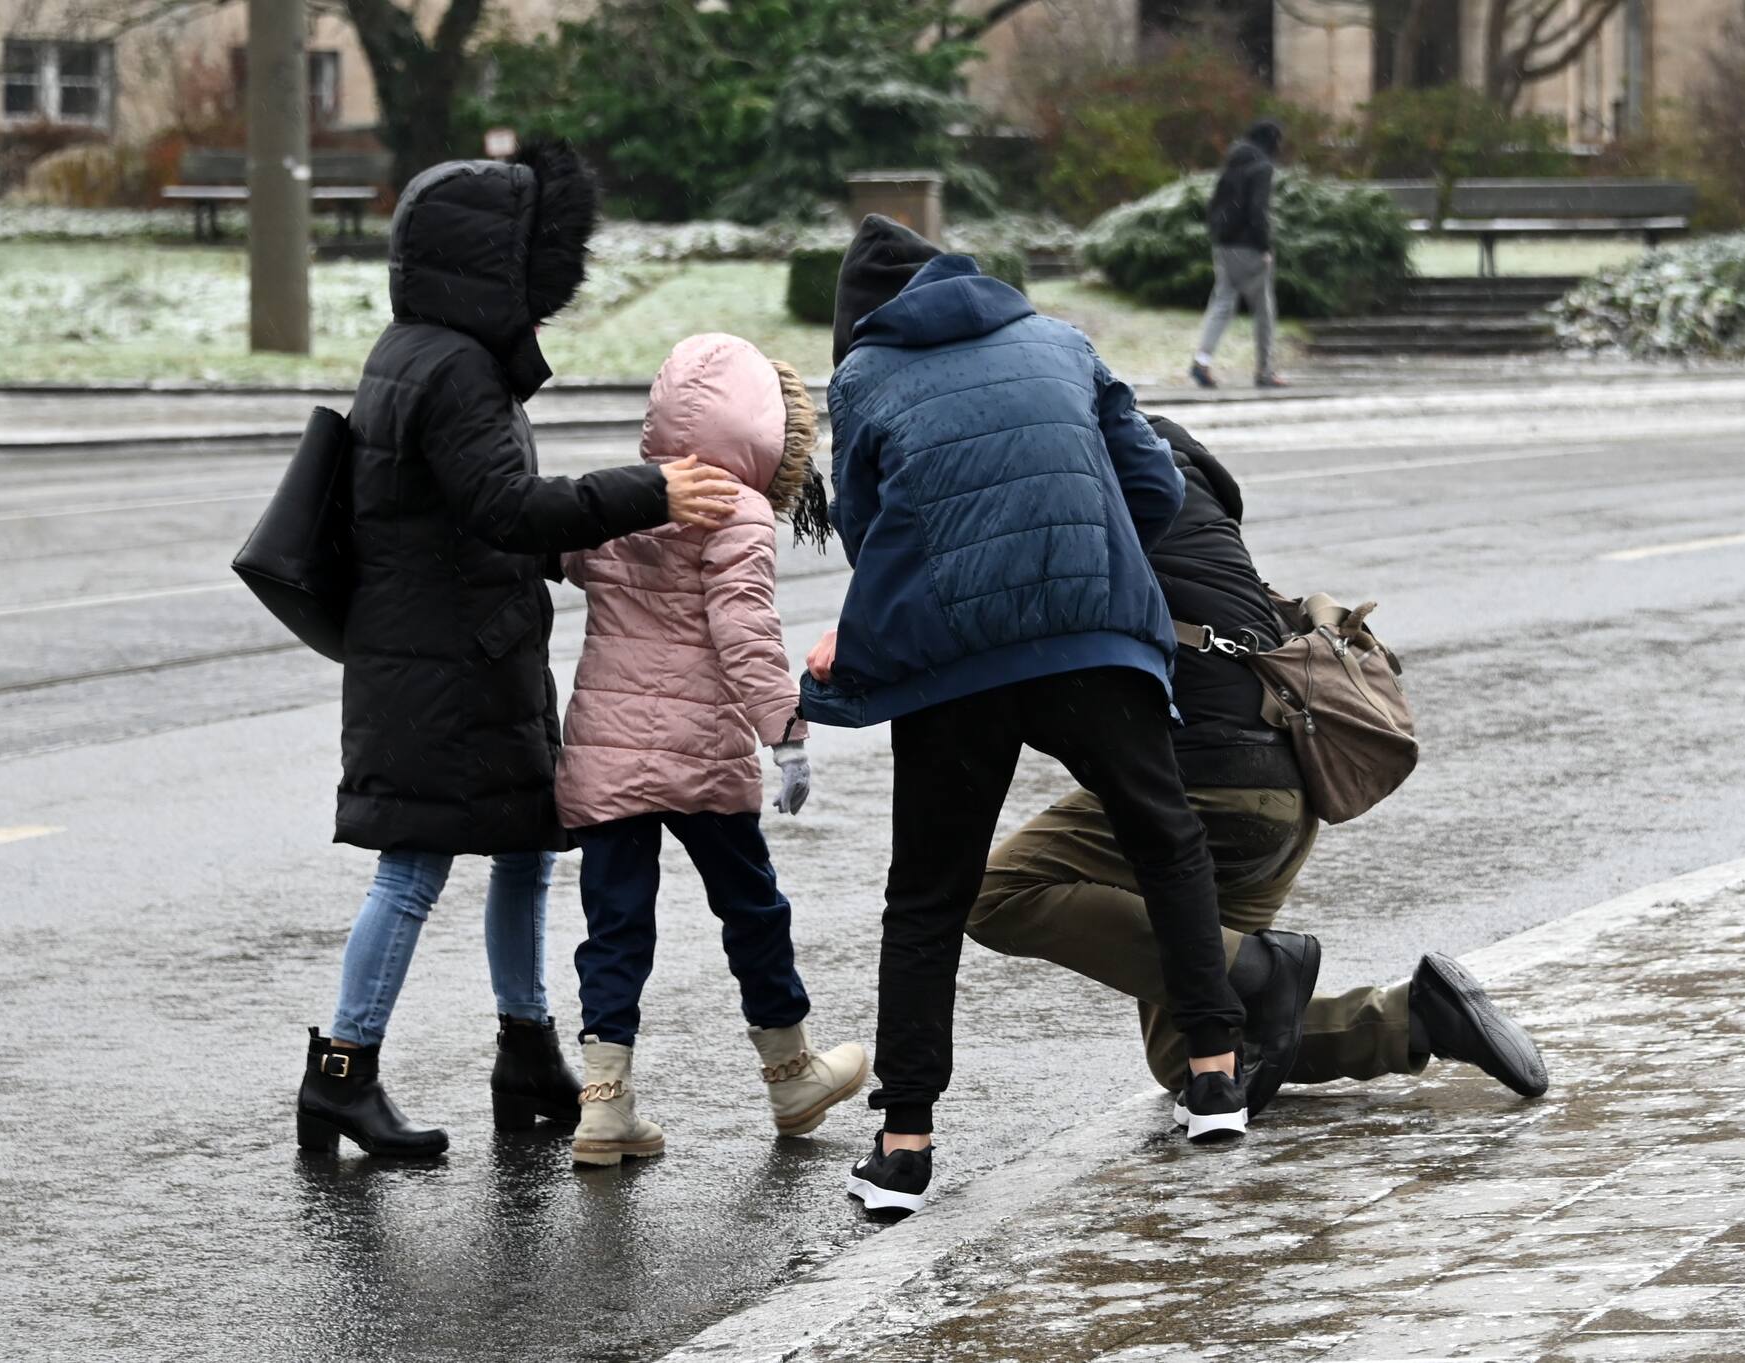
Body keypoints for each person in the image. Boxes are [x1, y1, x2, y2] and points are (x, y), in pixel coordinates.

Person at [295, 147, 742, 1160]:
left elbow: (462, 511)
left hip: (461, 650)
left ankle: (525, 1054)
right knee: (411, 870)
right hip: (442, 661)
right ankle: (341, 1074)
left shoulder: (422, 349)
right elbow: (505, 507)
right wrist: (650, 493)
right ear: (489, 267)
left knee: (525, 852)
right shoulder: (452, 369)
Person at [804, 215, 1249, 1220]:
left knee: (926, 894)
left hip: (955, 657)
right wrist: (1075, 559)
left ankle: (905, 1146)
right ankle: (1215, 1072)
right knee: (1163, 836)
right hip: (1088, 635)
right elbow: (1152, 486)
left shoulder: (865, 380)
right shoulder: (1058, 339)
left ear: (858, 322)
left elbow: (869, 536)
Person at [970, 415, 1549, 1111]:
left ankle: (1263, 971)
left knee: (994, 894)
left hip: (1205, 791)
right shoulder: (1179, 470)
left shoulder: (1062, 485)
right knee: (1193, 1057)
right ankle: (1415, 1018)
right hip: (1287, 786)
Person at [555, 334, 867, 1167]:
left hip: (608, 756)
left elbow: (550, 547)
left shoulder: (621, 498)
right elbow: (746, 633)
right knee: (752, 911)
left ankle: (605, 1106)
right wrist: (787, 734)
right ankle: (791, 1073)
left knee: (614, 926)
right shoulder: (740, 510)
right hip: (701, 759)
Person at [1193, 119, 1286, 392]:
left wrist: (1219, 235)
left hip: (1223, 245)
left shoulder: (1232, 163)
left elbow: (1214, 204)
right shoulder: (1262, 167)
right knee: (1264, 311)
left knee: (1222, 303)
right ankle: (1264, 371)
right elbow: (1258, 211)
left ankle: (1202, 360)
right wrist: (1265, 246)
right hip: (1248, 247)